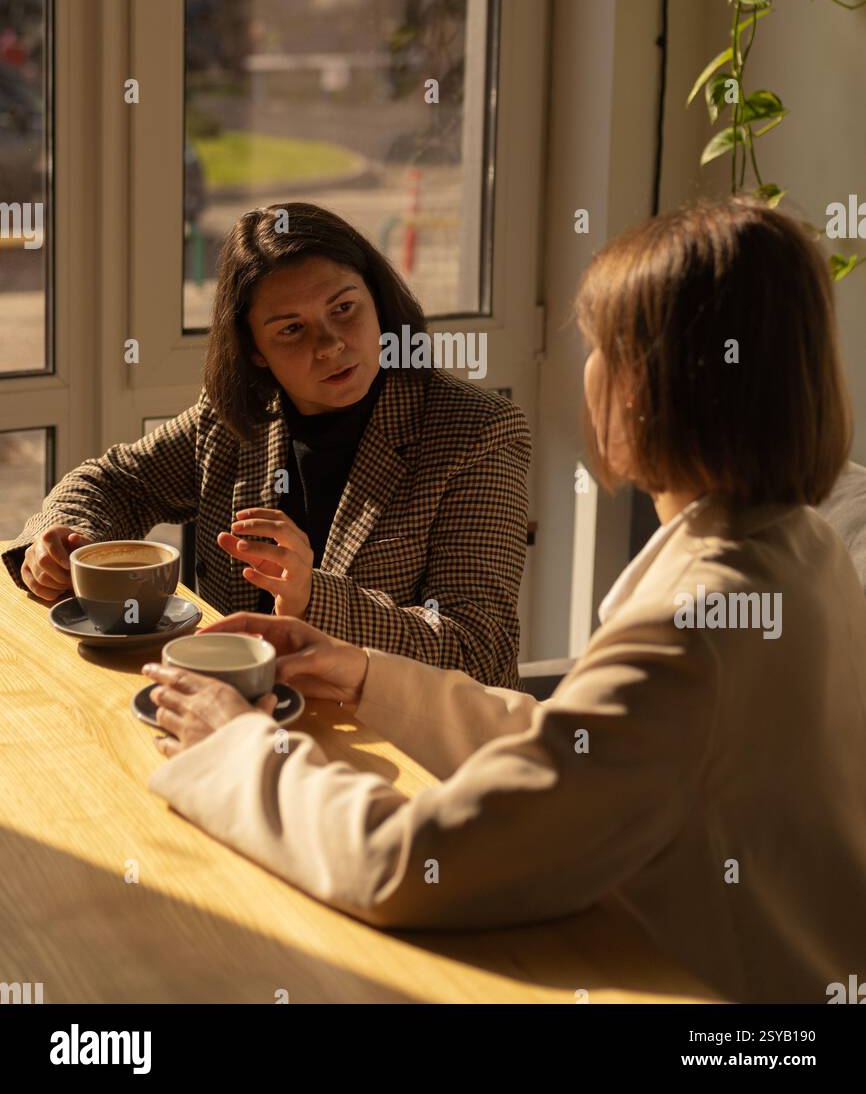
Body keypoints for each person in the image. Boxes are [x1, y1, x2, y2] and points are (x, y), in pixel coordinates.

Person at [146, 197, 866, 1004]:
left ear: (656, 388)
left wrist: (239, 746)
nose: (586, 373)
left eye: (601, 349)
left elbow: (409, 862)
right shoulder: (805, 553)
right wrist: (366, 677)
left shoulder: (690, 631)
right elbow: (579, 742)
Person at [2, 203, 531, 688]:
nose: (330, 345)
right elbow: (115, 481)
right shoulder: (240, 418)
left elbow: (477, 651)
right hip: (250, 719)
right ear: (254, 351)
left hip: (414, 756)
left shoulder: (476, 431)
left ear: (379, 302)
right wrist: (64, 540)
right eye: (291, 329)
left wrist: (311, 597)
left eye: (344, 308)